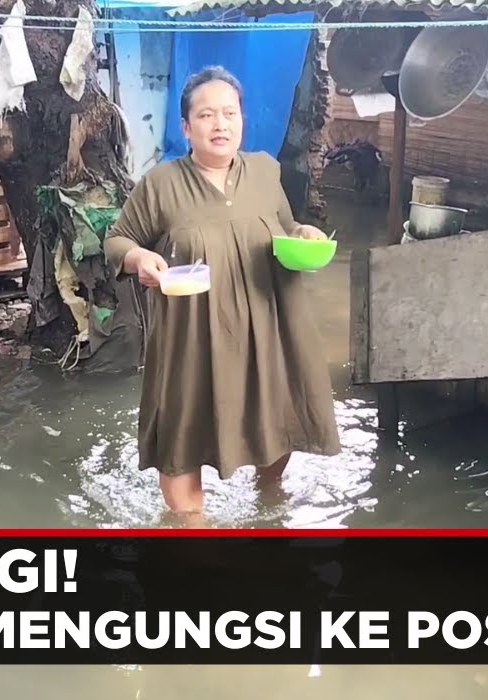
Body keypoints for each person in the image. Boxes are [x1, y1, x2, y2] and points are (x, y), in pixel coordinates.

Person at [103, 66, 342, 521]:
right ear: (186, 127)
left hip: (266, 326)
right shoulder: (162, 184)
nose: (220, 124)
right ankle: (194, 530)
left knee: (277, 412)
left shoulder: (265, 172)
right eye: (207, 115)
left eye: (229, 113)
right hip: (192, 334)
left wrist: (304, 234)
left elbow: (285, 229)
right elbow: (118, 240)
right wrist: (140, 259)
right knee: (183, 427)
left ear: (242, 121)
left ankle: (268, 499)